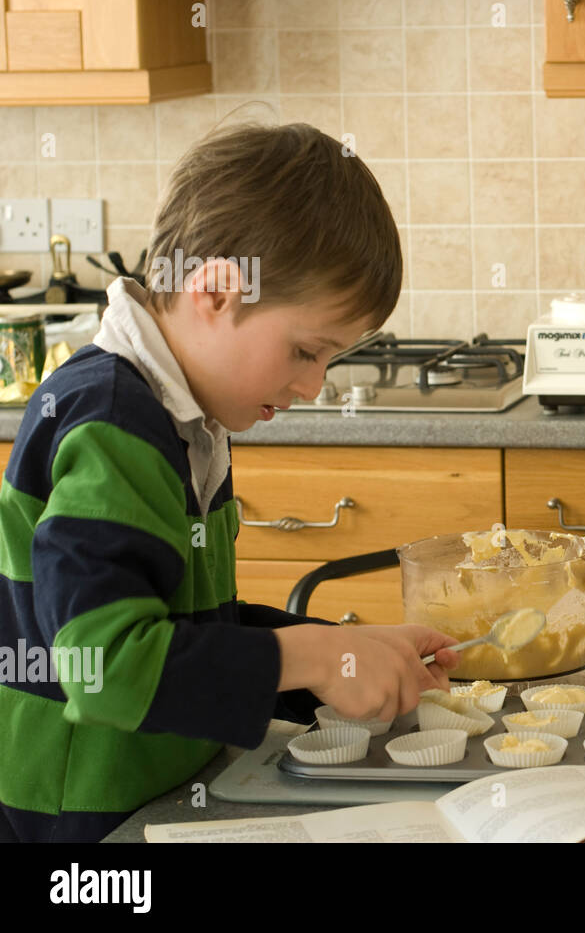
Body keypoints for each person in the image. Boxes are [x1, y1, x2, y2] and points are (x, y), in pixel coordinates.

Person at [0, 122, 462, 841]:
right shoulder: (114, 420)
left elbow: (187, 629)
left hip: (153, 800)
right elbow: (106, 667)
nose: (314, 385)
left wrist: (345, 652)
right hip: (81, 830)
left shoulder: (185, 414)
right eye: (308, 351)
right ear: (216, 291)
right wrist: (316, 655)